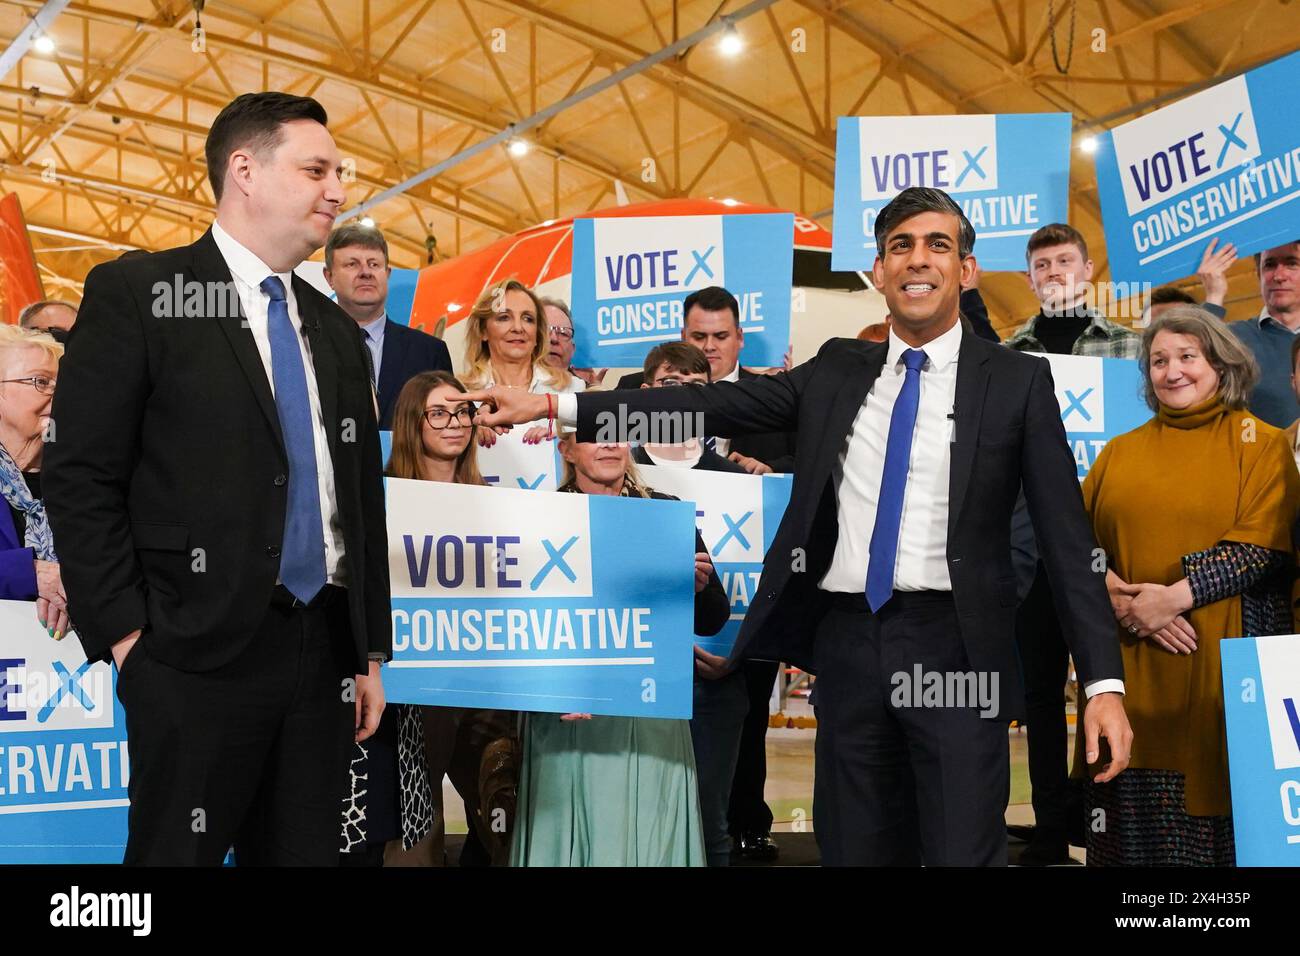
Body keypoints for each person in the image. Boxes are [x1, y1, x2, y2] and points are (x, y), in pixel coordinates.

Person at [469, 185, 1133, 866]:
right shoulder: (839, 367)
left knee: (965, 850)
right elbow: (709, 407)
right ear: (878, 270)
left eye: (938, 244)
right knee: (853, 849)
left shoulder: (1017, 381)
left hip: (957, 652)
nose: (917, 259)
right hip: (848, 649)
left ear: (966, 270)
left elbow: (1066, 538)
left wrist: (1104, 685)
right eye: (900, 246)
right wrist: (556, 407)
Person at [43, 91, 390, 866]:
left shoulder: (333, 329)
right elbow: (80, 474)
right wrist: (130, 641)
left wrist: (369, 655)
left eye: (339, 172)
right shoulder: (140, 294)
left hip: (324, 655)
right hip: (188, 655)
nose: (337, 189)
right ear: (245, 170)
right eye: (316, 169)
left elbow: (360, 502)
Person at [1080, 306, 1299, 865]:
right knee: (1130, 825)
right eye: (1157, 360)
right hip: (1133, 670)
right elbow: (1077, 544)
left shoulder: (1264, 444)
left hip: (1224, 681)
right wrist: (1115, 596)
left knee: (1218, 843)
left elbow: (1264, 548)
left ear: (1221, 366)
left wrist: (1171, 599)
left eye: (1186, 357)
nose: (1171, 371)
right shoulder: (1117, 453)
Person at [613, 284, 793, 860]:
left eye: (695, 388)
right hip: (632, 668)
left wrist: (735, 651)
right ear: (645, 394)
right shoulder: (617, 472)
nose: (681, 397)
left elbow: (762, 579)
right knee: (640, 820)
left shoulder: (741, 478)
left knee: (709, 820)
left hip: (722, 671)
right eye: (668, 386)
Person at [510, 438, 728, 866]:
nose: (609, 443)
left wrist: (696, 589)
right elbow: (524, 622)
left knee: (651, 832)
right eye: (593, 434)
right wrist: (553, 690)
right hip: (569, 715)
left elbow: (712, 618)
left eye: (616, 433)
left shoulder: (666, 512)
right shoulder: (538, 517)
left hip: (651, 711)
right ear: (567, 451)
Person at [1000, 222, 1141, 865]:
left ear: (1087, 271)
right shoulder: (1005, 357)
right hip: (1031, 540)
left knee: (1107, 683)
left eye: (1064, 261)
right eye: (1041, 264)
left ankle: (1106, 824)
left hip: (1107, 540)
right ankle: (1053, 825)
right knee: (1036, 692)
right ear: (1029, 278)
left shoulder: (1131, 349)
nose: (1053, 272)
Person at [341, 370, 519, 866]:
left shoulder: (495, 504)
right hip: (408, 693)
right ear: (411, 422)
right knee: (415, 840)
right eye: (437, 413)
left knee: (504, 815)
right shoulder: (379, 498)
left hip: (485, 687)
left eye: (462, 411)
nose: (453, 423)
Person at [323, 222, 451, 429]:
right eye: (352, 264)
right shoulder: (307, 347)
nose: (366, 272)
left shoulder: (429, 352)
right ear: (329, 277)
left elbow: (447, 424)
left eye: (374, 264)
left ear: (388, 274)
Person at [0, 325, 68, 640]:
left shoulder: (89, 478)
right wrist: (32, 573)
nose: (59, 393)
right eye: (40, 381)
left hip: (81, 672)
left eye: (65, 383)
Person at [462, 280, 582, 449]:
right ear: (483, 330)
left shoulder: (573, 388)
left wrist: (567, 436)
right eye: (504, 317)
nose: (518, 328)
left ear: (537, 333)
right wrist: (468, 436)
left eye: (528, 319)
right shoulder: (462, 393)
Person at [633, 342, 746, 474]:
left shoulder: (731, 475)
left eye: (697, 386)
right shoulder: (621, 467)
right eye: (671, 383)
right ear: (645, 393)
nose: (684, 395)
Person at [1229, 240, 1300, 428]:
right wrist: (1213, 295)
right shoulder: (1231, 338)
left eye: (1292, 263)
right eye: (1270, 265)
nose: (1279, 275)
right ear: (1258, 273)